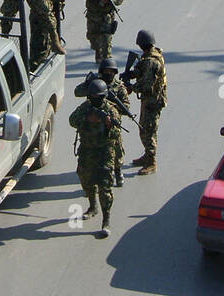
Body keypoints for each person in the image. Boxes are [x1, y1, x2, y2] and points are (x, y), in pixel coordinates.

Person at [67, 79, 122, 237]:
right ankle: (93, 206)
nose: (95, 100)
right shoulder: (85, 108)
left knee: (105, 186)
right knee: (85, 179)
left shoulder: (111, 111)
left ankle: (106, 219)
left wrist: (108, 126)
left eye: (98, 97)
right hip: (87, 150)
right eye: (93, 97)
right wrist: (86, 119)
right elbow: (72, 120)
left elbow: (117, 135)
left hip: (105, 151)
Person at [75, 58, 132, 186]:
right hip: (92, 124)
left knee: (116, 150)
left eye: (111, 71)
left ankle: (118, 171)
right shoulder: (95, 84)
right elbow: (77, 92)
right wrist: (88, 84)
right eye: (106, 71)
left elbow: (126, 107)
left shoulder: (119, 88)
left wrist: (110, 107)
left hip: (110, 124)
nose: (108, 73)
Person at [125, 28, 166, 176]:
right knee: (144, 129)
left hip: (152, 101)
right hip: (151, 99)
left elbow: (146, 84)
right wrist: (133, 73)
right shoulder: (153, 55)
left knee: (148, 131)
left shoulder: (151, 61)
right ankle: (147, 156)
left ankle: (151, 162)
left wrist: (131, 87)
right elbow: (144, 71)